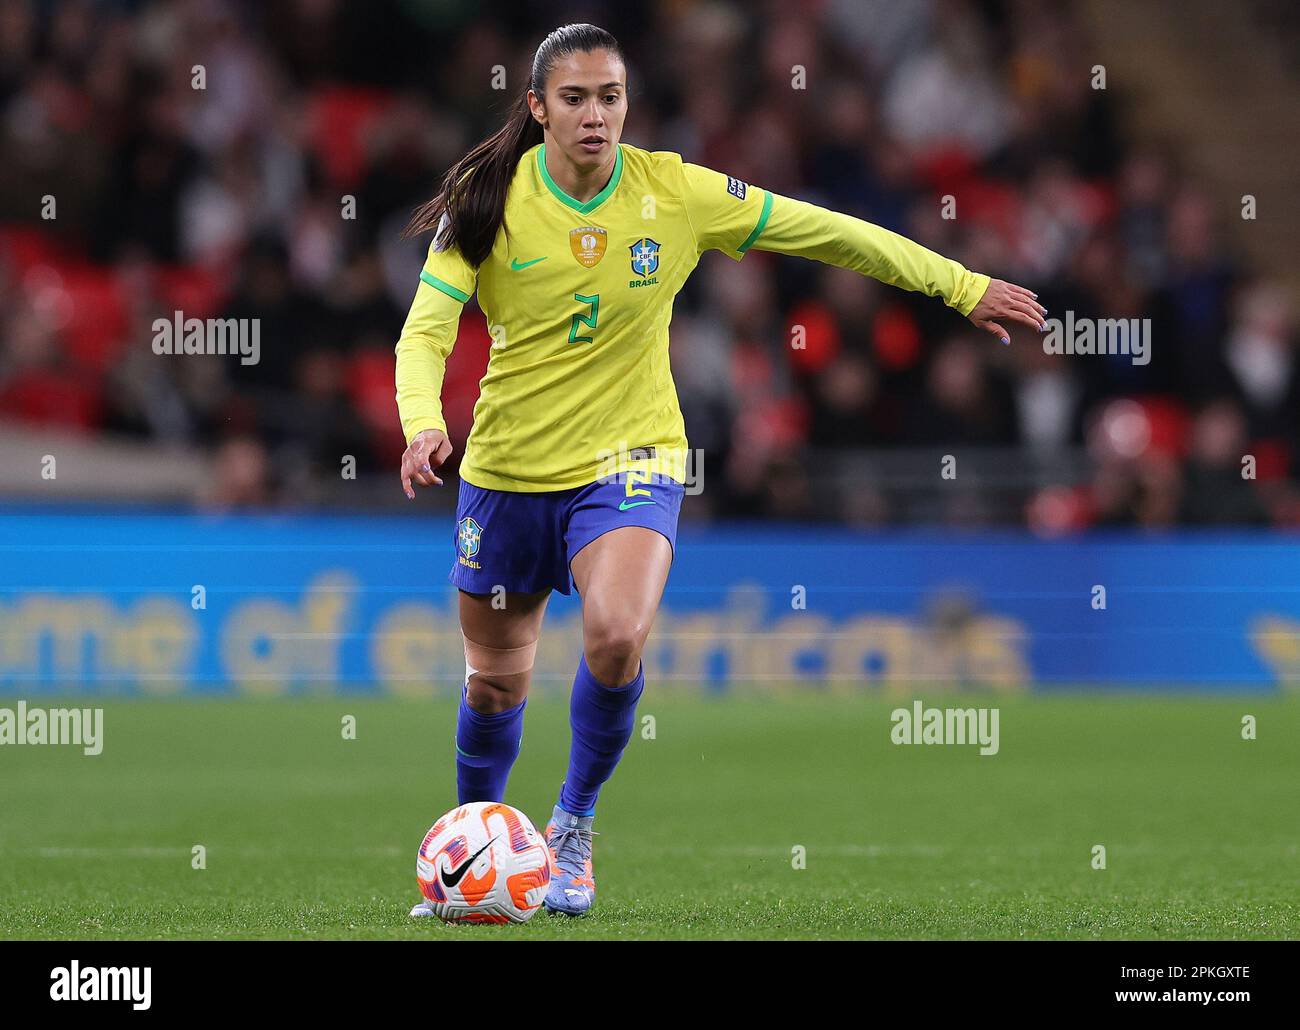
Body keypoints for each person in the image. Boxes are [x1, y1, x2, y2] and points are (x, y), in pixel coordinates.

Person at [396, 23, 1043, 917]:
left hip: (632, 459)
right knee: (496, 682)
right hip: (505, 471)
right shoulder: (487, 195)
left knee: (616, 635)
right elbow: (427, 329)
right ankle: (471, 839)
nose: (595, 116)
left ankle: (573, 825)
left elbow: (827, 233)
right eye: (575, 98)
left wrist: (958, 283)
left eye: (610, 97)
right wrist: (423, 423)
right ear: (538, 107)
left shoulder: (677, 191)